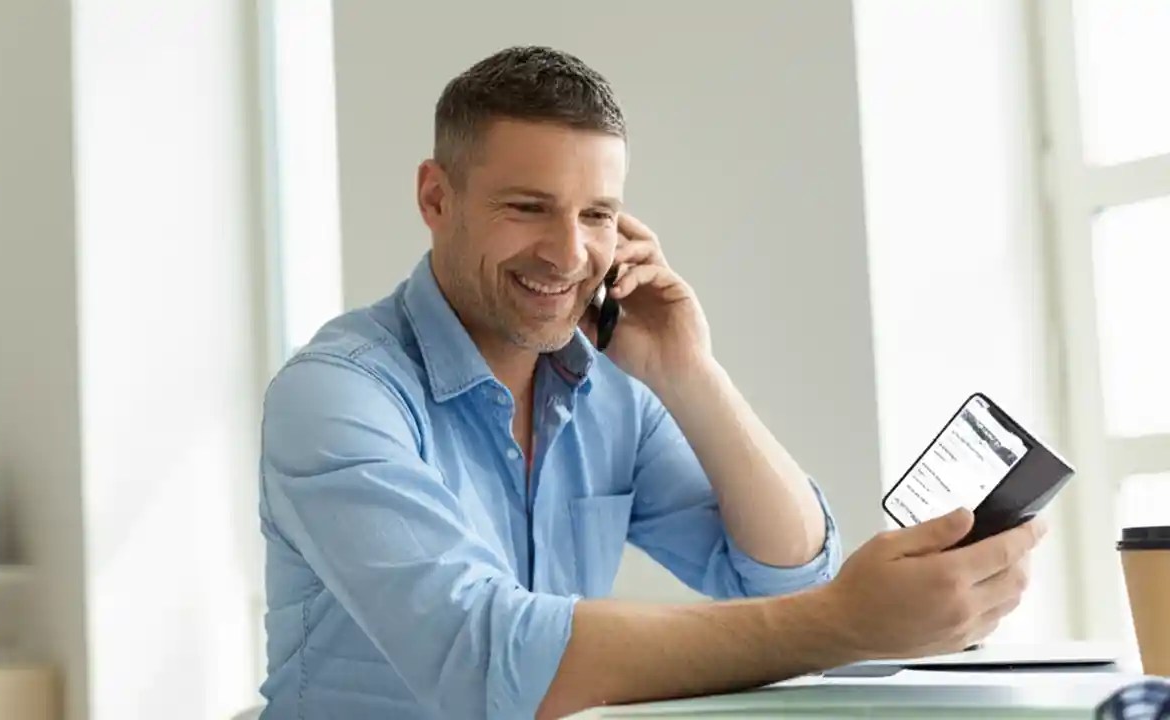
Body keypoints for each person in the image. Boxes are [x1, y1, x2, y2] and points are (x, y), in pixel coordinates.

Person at [256, 45, 1046, 720]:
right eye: (528, 208)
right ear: (437, 197)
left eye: (597, 215)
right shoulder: (336, 396)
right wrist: (843, 621)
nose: (569, 254)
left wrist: (690, 372)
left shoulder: (610, 391)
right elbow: (489, 654)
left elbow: (784, 573)